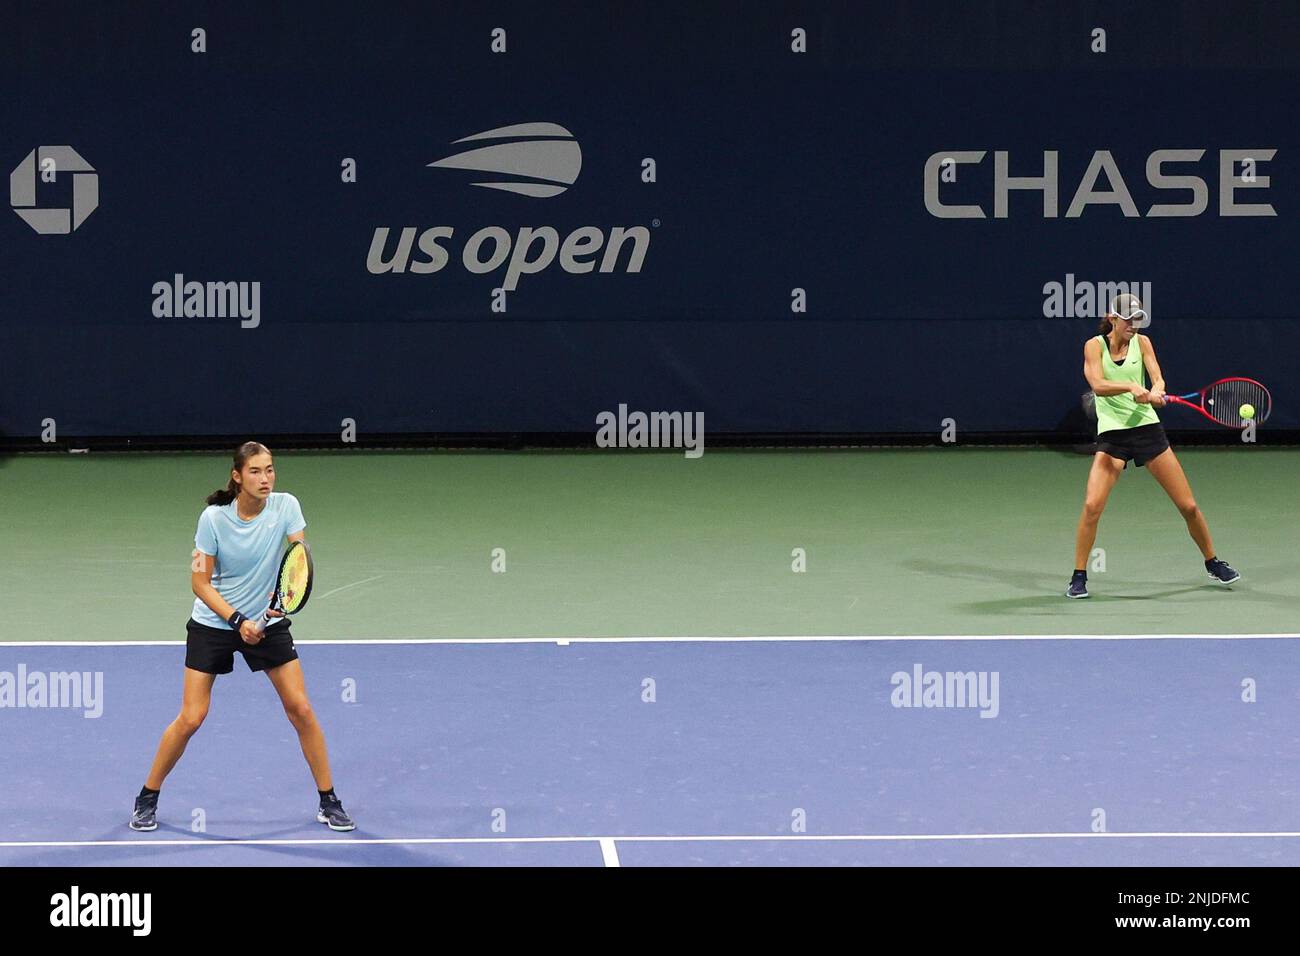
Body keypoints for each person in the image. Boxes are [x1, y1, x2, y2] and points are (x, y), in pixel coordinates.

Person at [131, 441, 354, 831]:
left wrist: (277, 603)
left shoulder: (287, 506)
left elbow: (297, 562)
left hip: (267, 621)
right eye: (255, 471)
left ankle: (328, 800)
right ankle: (147, 796)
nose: (265, 478)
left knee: (300, 709)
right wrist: (238, 621)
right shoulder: (213, 519)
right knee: (192, 717)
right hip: (216, 623)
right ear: (237, 476)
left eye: (269, 469)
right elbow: (199, 584)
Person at [1067, 295, 1240, 598]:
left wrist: (1157, 392)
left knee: (1188, 506)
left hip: (1147, 430)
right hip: (1113, 436)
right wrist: (1132, 386)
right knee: (1092, 506)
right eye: (1128, 319)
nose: (1133, 324)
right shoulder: (1094, 346)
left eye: (1137, 318)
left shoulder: (1143, 343)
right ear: (1113, 318)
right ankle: (1079, 576)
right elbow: (1097, 384)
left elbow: (1158, 379)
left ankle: (1213, 562)